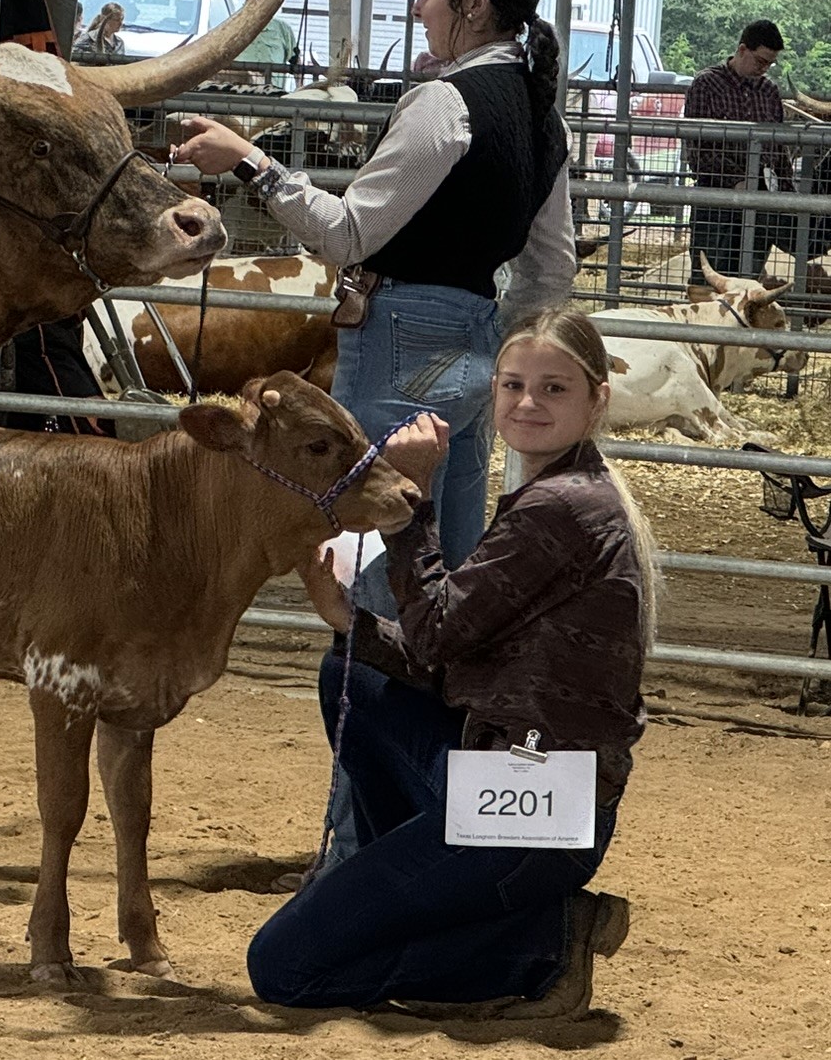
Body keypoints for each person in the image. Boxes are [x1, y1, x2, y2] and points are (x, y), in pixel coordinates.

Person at [247, 309, 653, 1021]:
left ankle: (546, 944)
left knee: (284, 969)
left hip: (533, 816)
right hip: (520, 784)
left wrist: (412, 503)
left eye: (554, 388)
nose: (528, 403)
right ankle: (432, 900)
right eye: (513, 385)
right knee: (351, 671)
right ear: (493, 392)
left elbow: (437, 638)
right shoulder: (565, 493)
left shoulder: (560, 509)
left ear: (597, 399)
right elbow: (461, 659)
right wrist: (351, 623)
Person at [173, 0, 576, 566]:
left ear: (473, 5)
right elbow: (552, 266)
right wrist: (500, 341)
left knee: (374, 545)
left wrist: (251, 162)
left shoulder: (444, 104)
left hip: (399, 339)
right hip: (481, 339)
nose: (417, 8)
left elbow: (346, 234)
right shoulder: (543, 115)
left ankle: (372, 638)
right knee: (447, 548)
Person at [683, 19, 793, 281]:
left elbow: (779, 147)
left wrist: (786, 189)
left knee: (748, 279)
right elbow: (698, 149)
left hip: (760, 198)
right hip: (716, 198)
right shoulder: (706, 84)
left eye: (770, 64)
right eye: (760, 61)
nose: (764, 69)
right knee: (709, 276)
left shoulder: (769, 91)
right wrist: (737, 181)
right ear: (742, 49)